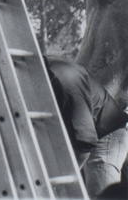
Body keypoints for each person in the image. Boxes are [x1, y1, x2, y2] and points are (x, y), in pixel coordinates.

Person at [45, 56, 128, 196]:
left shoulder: (64, 81)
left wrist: (61, 181)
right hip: (84, 136)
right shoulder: (40, 69)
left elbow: (84, 143)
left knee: (101, 192)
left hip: (106, 136)